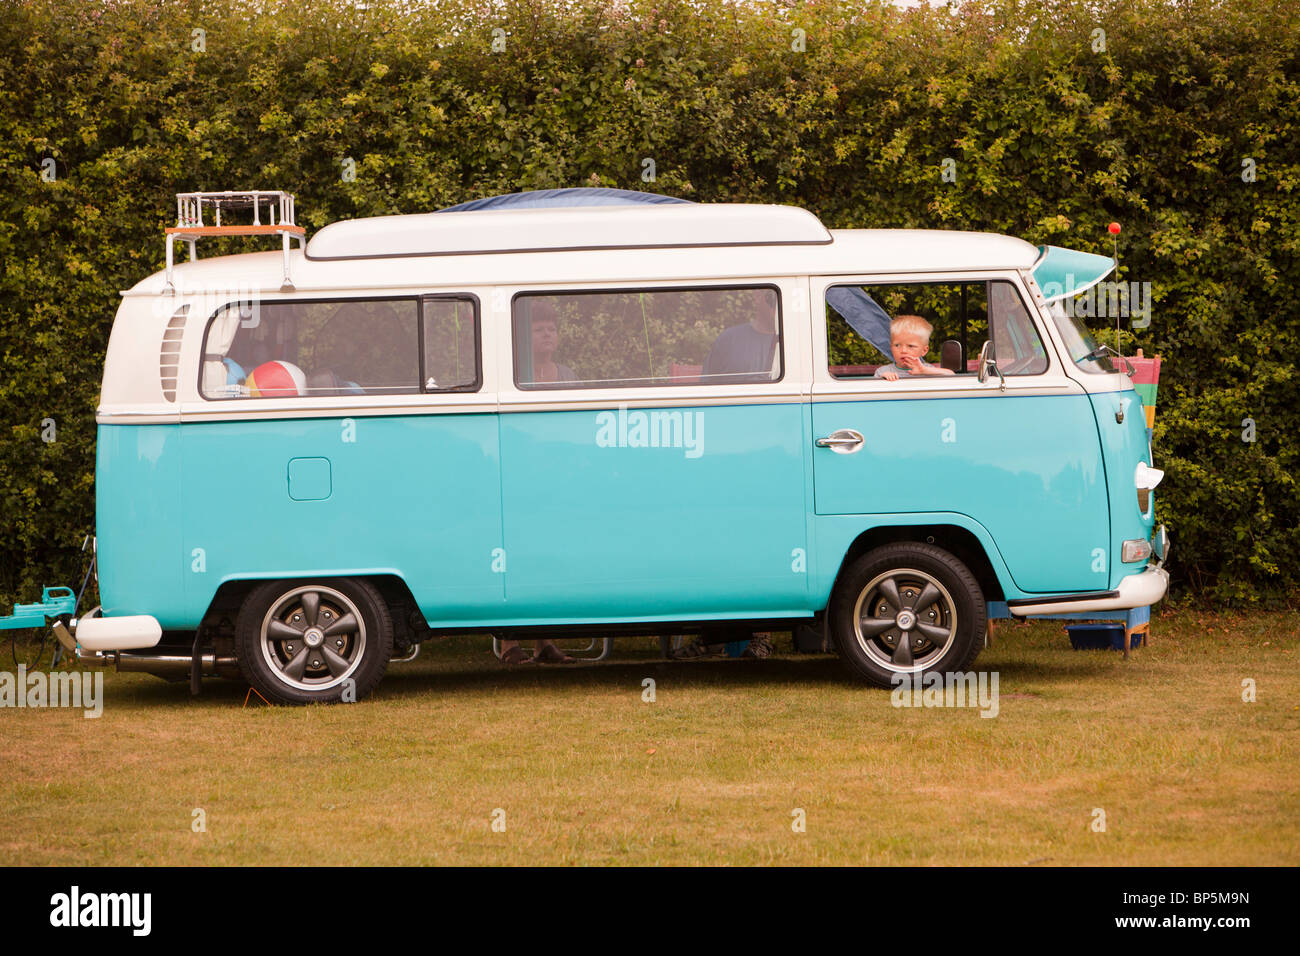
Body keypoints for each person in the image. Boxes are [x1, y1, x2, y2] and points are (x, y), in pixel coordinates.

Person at [701, 289, 780, 384]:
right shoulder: (728, 340)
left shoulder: (796, 343)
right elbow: (706, 387)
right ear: (758, 295)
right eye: (772, 298)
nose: (778, 304)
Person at [873, 315, 956, 380]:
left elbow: (951, 375)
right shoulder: (883, 371)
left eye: (910, 346)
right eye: (897, 345)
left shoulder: (928, 369)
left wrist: (924, 370)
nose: (903, 350)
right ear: (891, 347)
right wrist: (882, 379)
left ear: (924, 350)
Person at [525, 302, 575, 385]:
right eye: (538, 330)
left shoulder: (568, 376)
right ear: (525, 336)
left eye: (552, 329)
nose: (547, 334)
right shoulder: (517, 376)